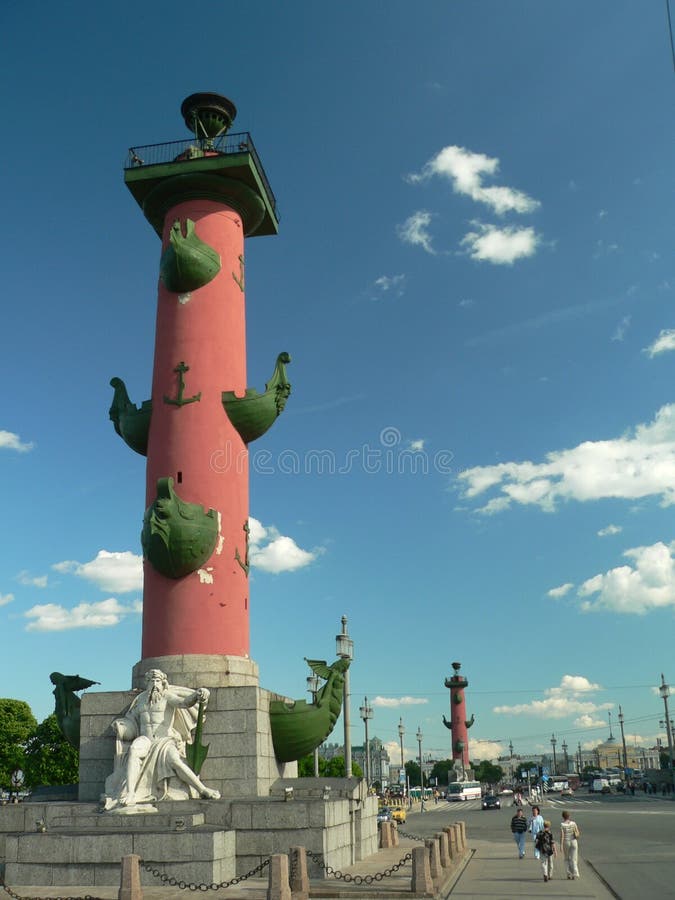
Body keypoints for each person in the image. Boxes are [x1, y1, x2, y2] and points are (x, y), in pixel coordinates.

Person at [103, 668, 221, 810]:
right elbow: (132, 722)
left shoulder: (167, 697)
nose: (154, 683)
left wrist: (198, 694)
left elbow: (184, 703)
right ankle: (131, 793)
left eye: (157, 680)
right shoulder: (140, 700)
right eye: (151, 680)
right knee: (134, 750)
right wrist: (122, 727)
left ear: (162, 682)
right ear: (147, 682)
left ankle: (202, 789)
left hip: (164, 740)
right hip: (145, 739)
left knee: (175, 761)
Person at [560, 809, 580, 879]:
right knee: (574, 858)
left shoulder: (562, 825)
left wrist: (561, 845)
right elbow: (577, 832)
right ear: (569, 816)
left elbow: (562, 836)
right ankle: (575, 873)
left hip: (566, 842)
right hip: (574, 841)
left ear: (563, 817)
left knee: (566, 858)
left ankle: (569, 873)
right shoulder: (573, 823)